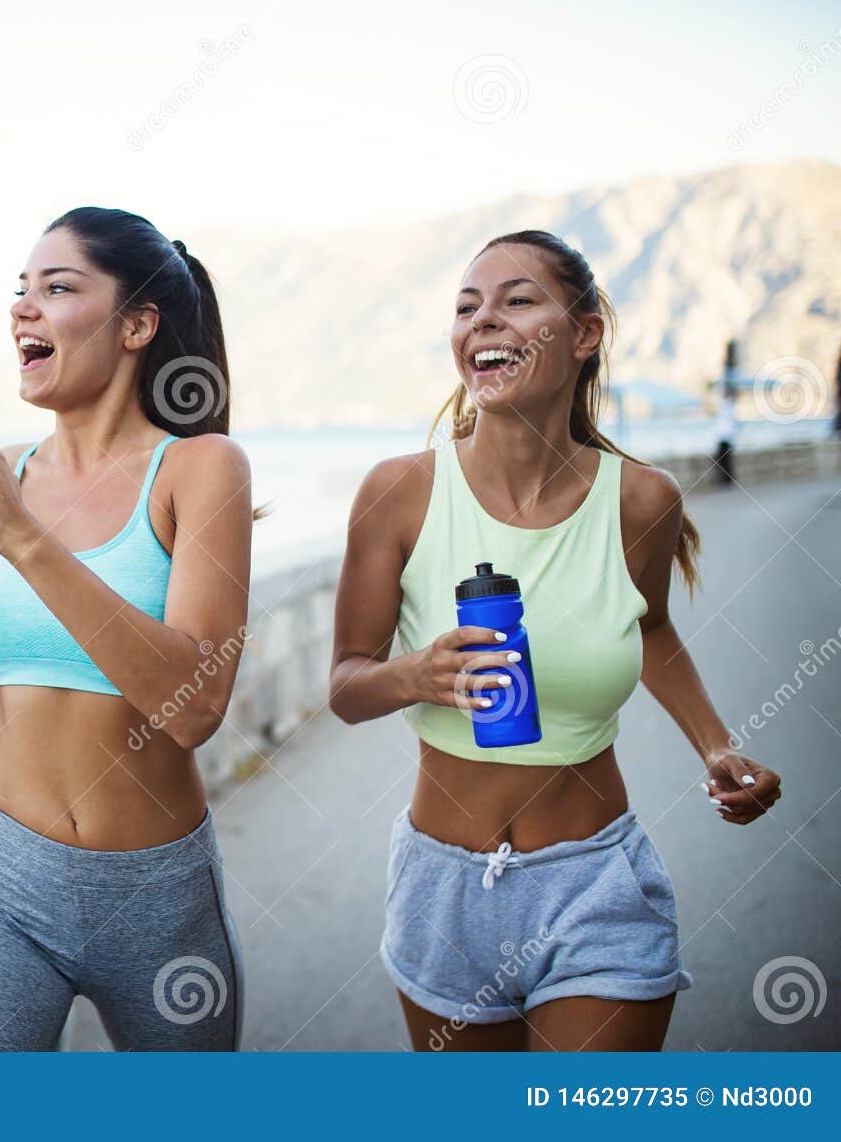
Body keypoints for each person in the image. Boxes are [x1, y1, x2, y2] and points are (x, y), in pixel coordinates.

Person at [328, 230, 782, 1051]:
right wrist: (416, 674)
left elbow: (646, 625)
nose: (483, 322)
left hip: (593, 882)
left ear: (584, 335)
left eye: (517, 299)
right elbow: (346, 685)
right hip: (443, 888)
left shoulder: (642, 501)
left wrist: (717, 746)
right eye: (466, 308)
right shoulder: (397, 493)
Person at [0, 207, 253, 1051]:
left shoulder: (200, 468)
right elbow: (11, 641)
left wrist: (22, 538)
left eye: (57, 287)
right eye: (21, 290)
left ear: (137, 323)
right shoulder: (7, 471)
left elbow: (194, 706)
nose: (23, 308)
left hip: (157, 894)